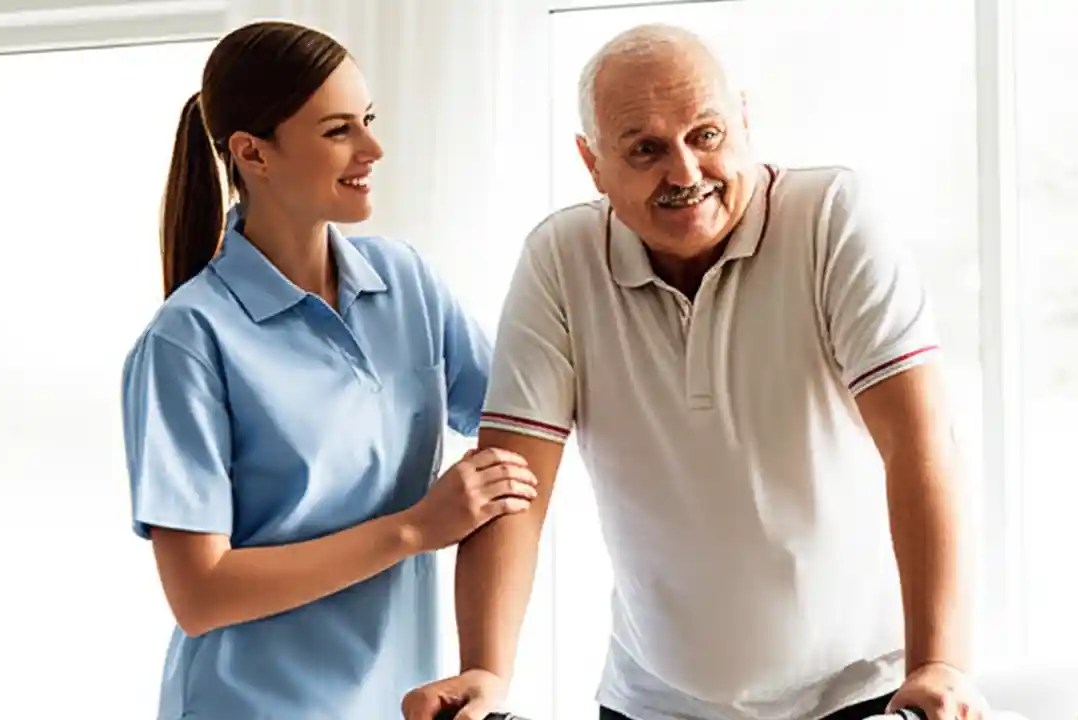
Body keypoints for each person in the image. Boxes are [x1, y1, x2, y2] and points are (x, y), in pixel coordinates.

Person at [404, 23, 990, 720]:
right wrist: (485, 669)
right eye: (645, 149)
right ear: (592, 162)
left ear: (743, 122)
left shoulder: (831, 217)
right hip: (654, 700)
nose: (684, 173)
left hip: (863, 690)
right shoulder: (561, 257)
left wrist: (938, 663)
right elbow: (514, 482)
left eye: (705, 135)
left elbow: (918, 442)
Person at [120, 20, 538, 720]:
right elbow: (200, 594)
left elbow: (522, 423)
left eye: (368, 120)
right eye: (339, 130)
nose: (373, 149)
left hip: (398, 701)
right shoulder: (187, 341)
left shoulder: (406, 283)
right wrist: (416, 528)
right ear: (253, 153)